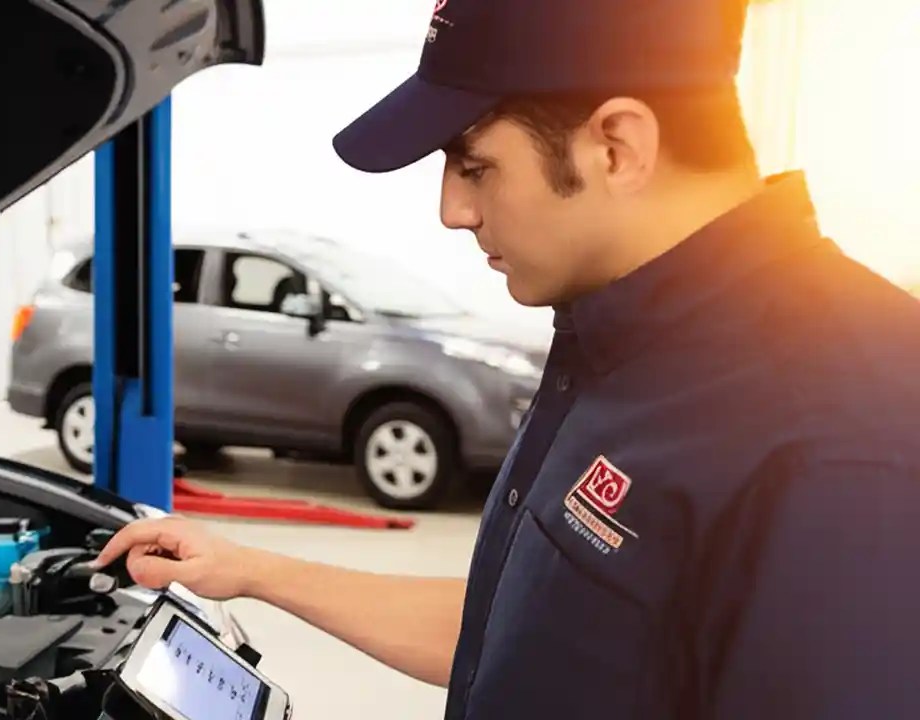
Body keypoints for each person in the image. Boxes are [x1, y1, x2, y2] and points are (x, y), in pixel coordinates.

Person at [96, 0, 920, 717]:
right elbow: (517, 634)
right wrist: (248, 568)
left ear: (618, 147)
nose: (452, 208)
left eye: (474, 162)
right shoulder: (613, 350)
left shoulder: (857, 441)